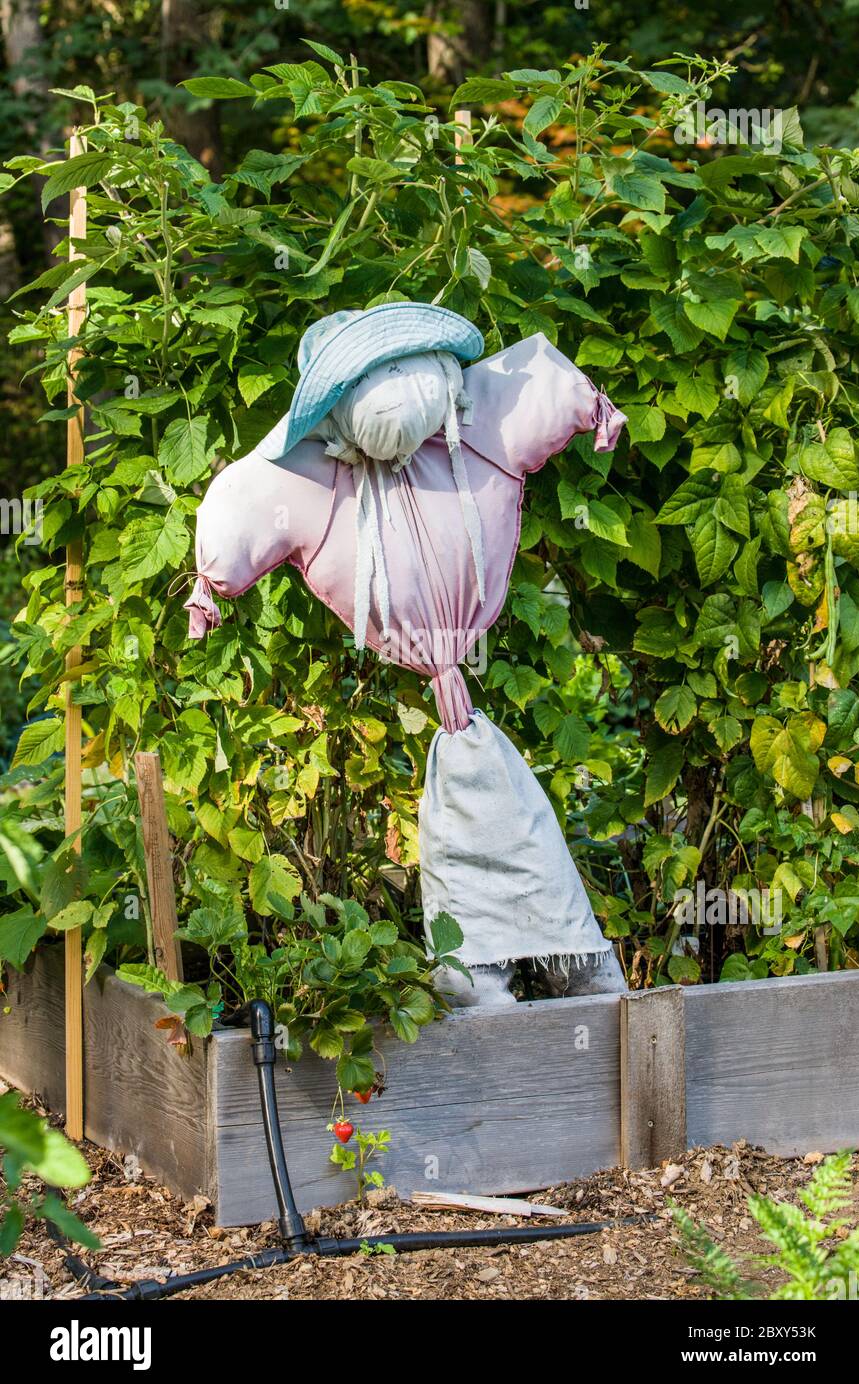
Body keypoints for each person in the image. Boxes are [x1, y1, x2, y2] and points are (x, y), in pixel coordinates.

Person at [187, 302, 629, 1006]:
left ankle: (524, 968)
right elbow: (247, 498)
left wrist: (587, 407)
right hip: (445, 678)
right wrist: (214, 580)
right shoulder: (311, 475)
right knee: (487, 832)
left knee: (501, 830)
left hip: (458, 681)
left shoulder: (469, 424)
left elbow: (528, 385)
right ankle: (513, 967)